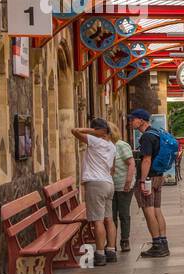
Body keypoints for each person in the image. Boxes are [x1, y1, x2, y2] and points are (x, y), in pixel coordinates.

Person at [72, 118, 119, 266]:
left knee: (98, 220)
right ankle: (111, 250)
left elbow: (74, 131)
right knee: (109, 219)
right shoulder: (112, 146)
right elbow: (112, 169)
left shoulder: (95, 141)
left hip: (95, 183)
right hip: (108, 183)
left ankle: (99, 254)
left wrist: (94, 132)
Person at [128, 108, 169, 258]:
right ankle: (163, 243)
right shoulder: (156, 133)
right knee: (157, 209)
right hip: (158, 176)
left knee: (148, 211)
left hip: (149, 178)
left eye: (133, 119)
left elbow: (146, 160)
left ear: (142, 120)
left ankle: (157, 244)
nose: (131, 122)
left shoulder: (146, 137)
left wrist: (142, 180)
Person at [112, 125, 135, 253]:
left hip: (123, 185)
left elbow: (131, 163)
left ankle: (125, 240)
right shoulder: (106, 146)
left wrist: (128, 181)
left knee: (123, 214)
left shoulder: (121, 145)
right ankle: (111, 241)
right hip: (110, 186)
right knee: (111, 215)